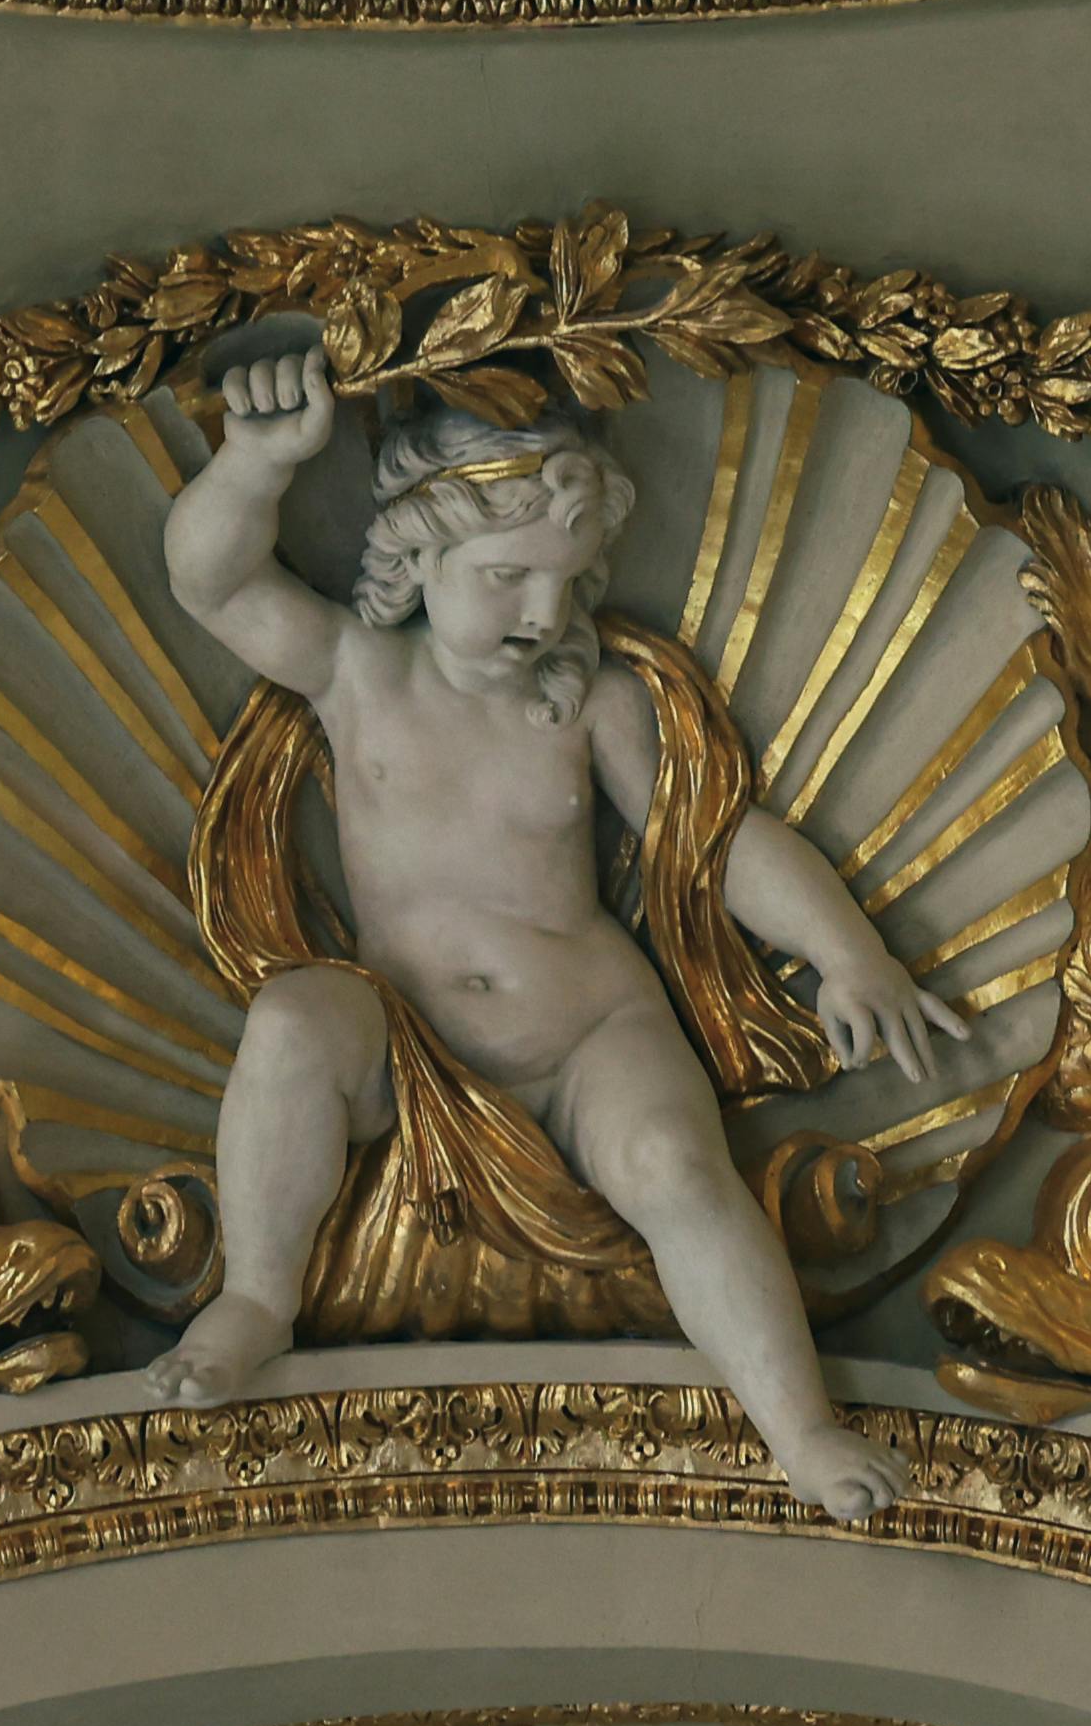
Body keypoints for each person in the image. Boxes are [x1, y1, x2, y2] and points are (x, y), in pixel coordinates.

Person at [141, 355, 974, 1517]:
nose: (541, 614)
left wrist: (849, 953)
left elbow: (714, 842)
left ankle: (800, 1430)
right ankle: (257, 1298)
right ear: (416, 555)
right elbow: (209, 582)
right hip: (403, 1043)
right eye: (505, 575)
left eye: (565, 581)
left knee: (676, 1170)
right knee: (289, 1022)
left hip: (591, 1031)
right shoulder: (354, 672)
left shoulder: (588, 702)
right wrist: (256, 462)